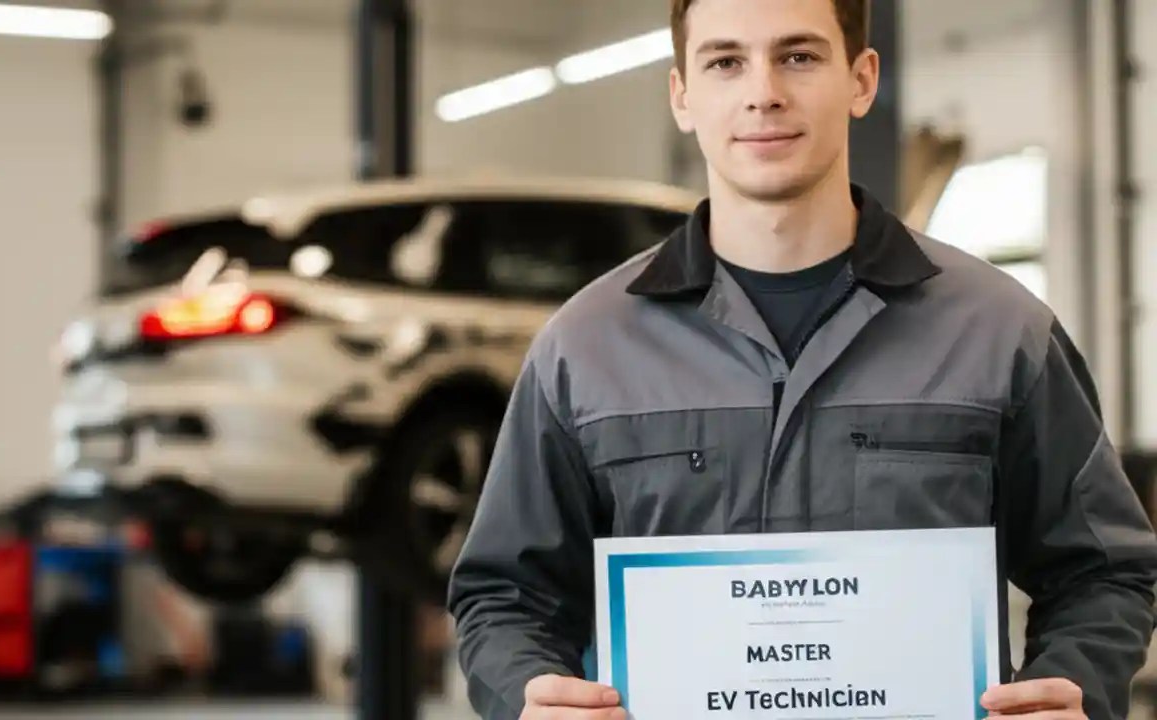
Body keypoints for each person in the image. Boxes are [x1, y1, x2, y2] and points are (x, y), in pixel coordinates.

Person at [446, 0, 1157, 718]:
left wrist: (1075, 690)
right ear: (682, 96)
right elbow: (503, 595)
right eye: (725, 61)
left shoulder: (1002, 332)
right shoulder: (585, 348)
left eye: (798, 56)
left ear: (861, 79)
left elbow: (1105, 573)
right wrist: (526, 697)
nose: (763, 92)